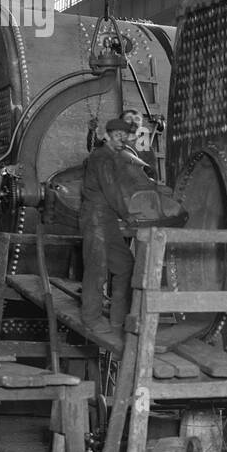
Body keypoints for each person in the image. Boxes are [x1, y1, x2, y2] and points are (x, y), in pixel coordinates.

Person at [79, 117, 136, 347]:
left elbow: (122, 188)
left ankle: (118, 318)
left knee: (124, 264)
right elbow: (112, 190)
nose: (123, 139)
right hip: (95, 217)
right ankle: (90, 318)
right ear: (109, 135)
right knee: (97, 267)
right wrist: (129, 214)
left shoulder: (115, 158)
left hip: (108, 218)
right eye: (119, 135)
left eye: (126, 135)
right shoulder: (101, 157)